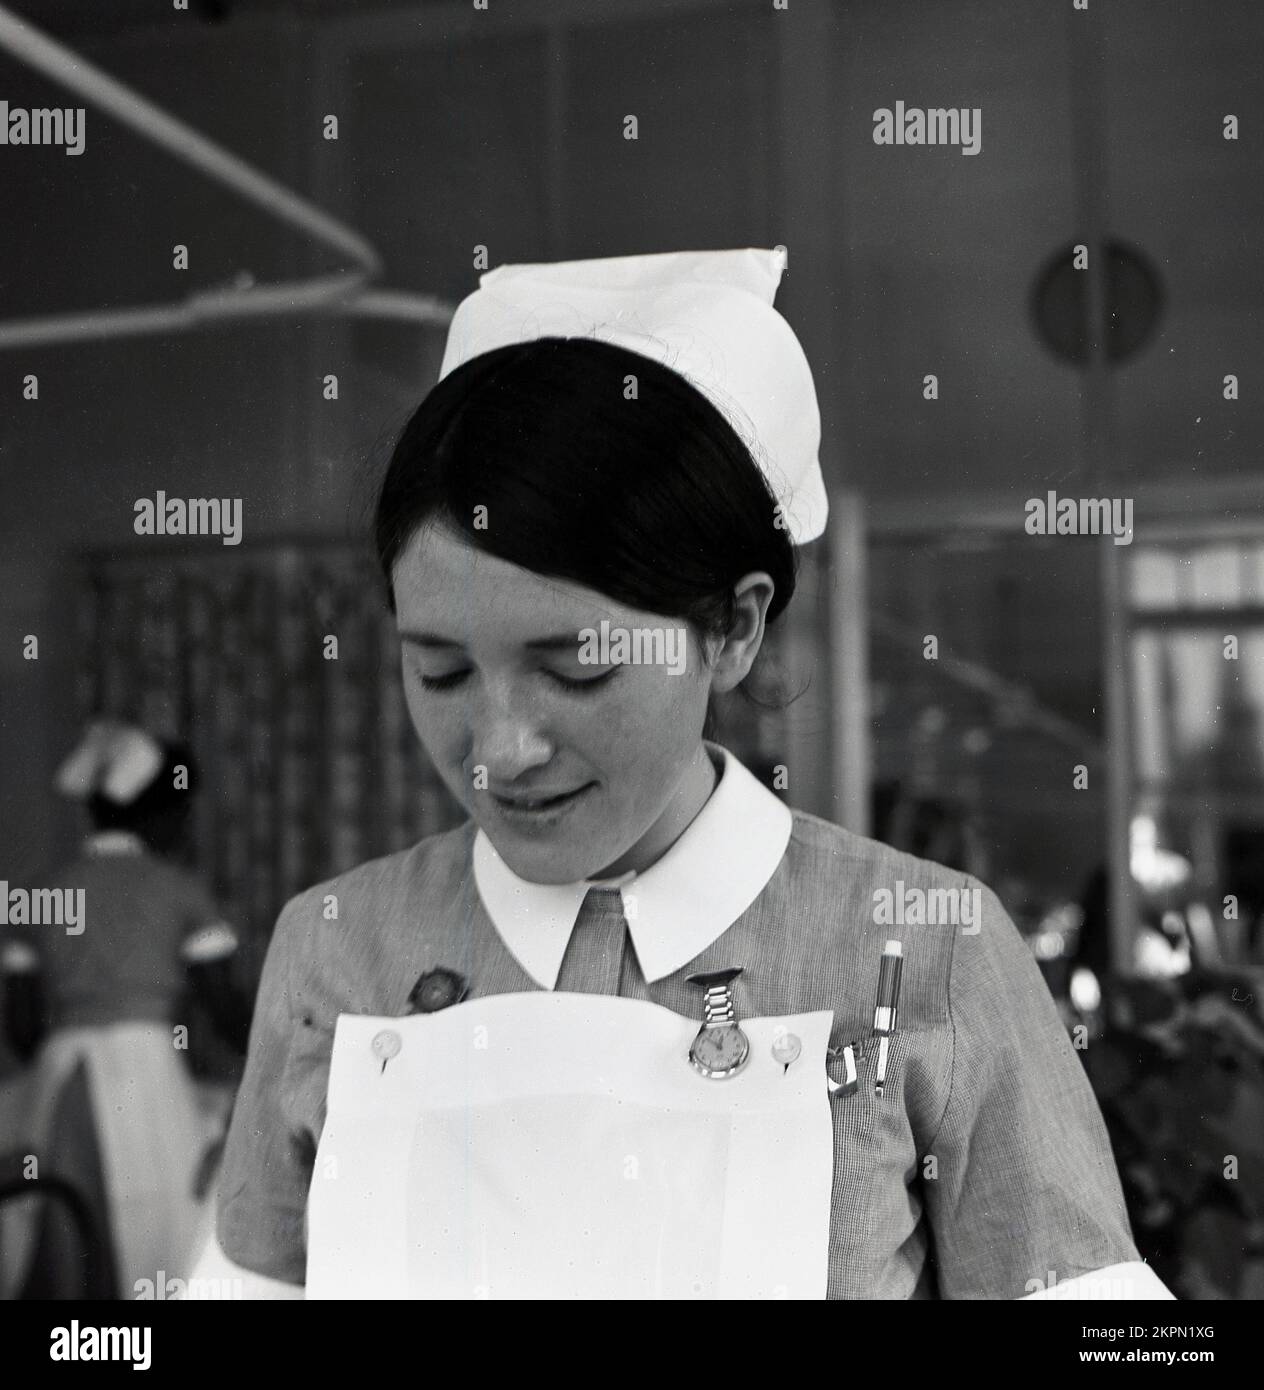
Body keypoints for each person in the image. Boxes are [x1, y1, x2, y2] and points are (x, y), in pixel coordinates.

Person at [205, 248, 1173, 1299]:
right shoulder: (333, 948)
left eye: (574, 666)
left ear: (731, 628)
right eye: (439, 669)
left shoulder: (925, 947)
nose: (499, 748)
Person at [0, 720, 242, 1298]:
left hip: (60, 1080)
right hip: (145, 1071)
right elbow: (227, 1009)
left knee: (58, 1228)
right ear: (161, 816)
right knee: (159, 1229)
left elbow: (22, 1027)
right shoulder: (176, 890)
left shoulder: (42, 891)